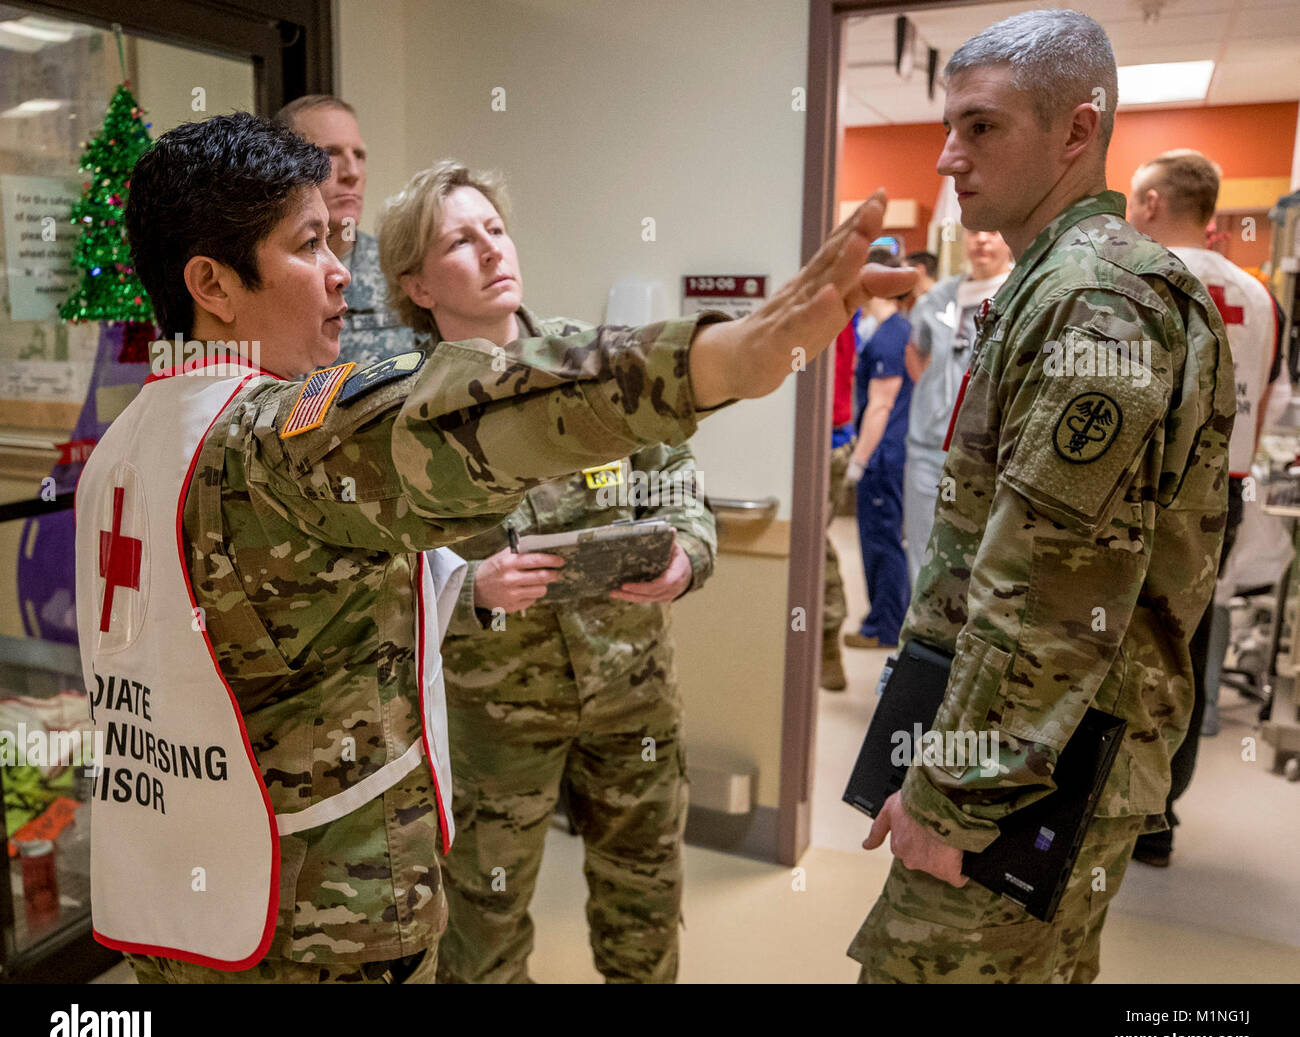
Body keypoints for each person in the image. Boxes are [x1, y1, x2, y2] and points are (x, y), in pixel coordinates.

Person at [75, 112, 917, 983]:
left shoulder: (128, 446)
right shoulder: (278, 440)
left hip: (191, 902)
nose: (337, 278)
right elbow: (465, 415)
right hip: (316, 922)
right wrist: (726, 359)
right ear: (211, 282)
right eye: (310, 245)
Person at [847, 9, 1234, 984]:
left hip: (1034, 765)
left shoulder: (1093, 301)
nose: (946, 157)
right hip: (1025, 747)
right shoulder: (1047, 285)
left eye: (980, 127)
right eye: (948, 127)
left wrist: (952, 806)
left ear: (1075, 129)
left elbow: (1050, 603)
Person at [376, 161, 717, 983]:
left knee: (644, 912)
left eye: (496, 229)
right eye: (462, 240)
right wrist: (471, 592)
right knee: (484, 931)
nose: (493, 250)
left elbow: (681, 490)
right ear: (418, 285)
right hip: (496, 722)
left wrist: (686, 557)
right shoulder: (400, 411)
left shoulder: (594, 367)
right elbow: (377, 577)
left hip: (632, 692)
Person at [1125, 148, 1278, 866]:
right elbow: (1267, 395)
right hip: (1227, 495)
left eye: (1133, 199)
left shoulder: (1140, 281)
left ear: (1154, 203)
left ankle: (1095, 809)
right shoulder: (1262, 296)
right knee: (1185, 651)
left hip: (1144, 493)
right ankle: (1159, 820)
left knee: (1108, 647)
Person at [902, 229, 1012, 586]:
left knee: (980, 558)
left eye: (993, 232)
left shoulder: (1020, 292)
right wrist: (936, 397)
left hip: (989, 454)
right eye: (974, 232)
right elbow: (914, 350)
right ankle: (918, 639)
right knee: (922, 550)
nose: (982, 240)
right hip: (928, 446)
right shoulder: (938, 297)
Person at [275, 95, 415, 366]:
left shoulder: (401, 270)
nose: (352, 172)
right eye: (330, 153)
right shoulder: (267, 276)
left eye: (359, 155)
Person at [843, 250, 913, 650]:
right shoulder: (894, 330)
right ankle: (888, 621)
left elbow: (881, 405)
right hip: (893, 452)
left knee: (881, 540)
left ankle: (883, 627)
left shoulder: (889, 337)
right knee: (886, 539)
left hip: (882, 456)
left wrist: (858, 461)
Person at [822, 313, 860, 690]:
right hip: (829, 437)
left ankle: (827, 642)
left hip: (828, 441)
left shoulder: (836, 307)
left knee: (813, 542)